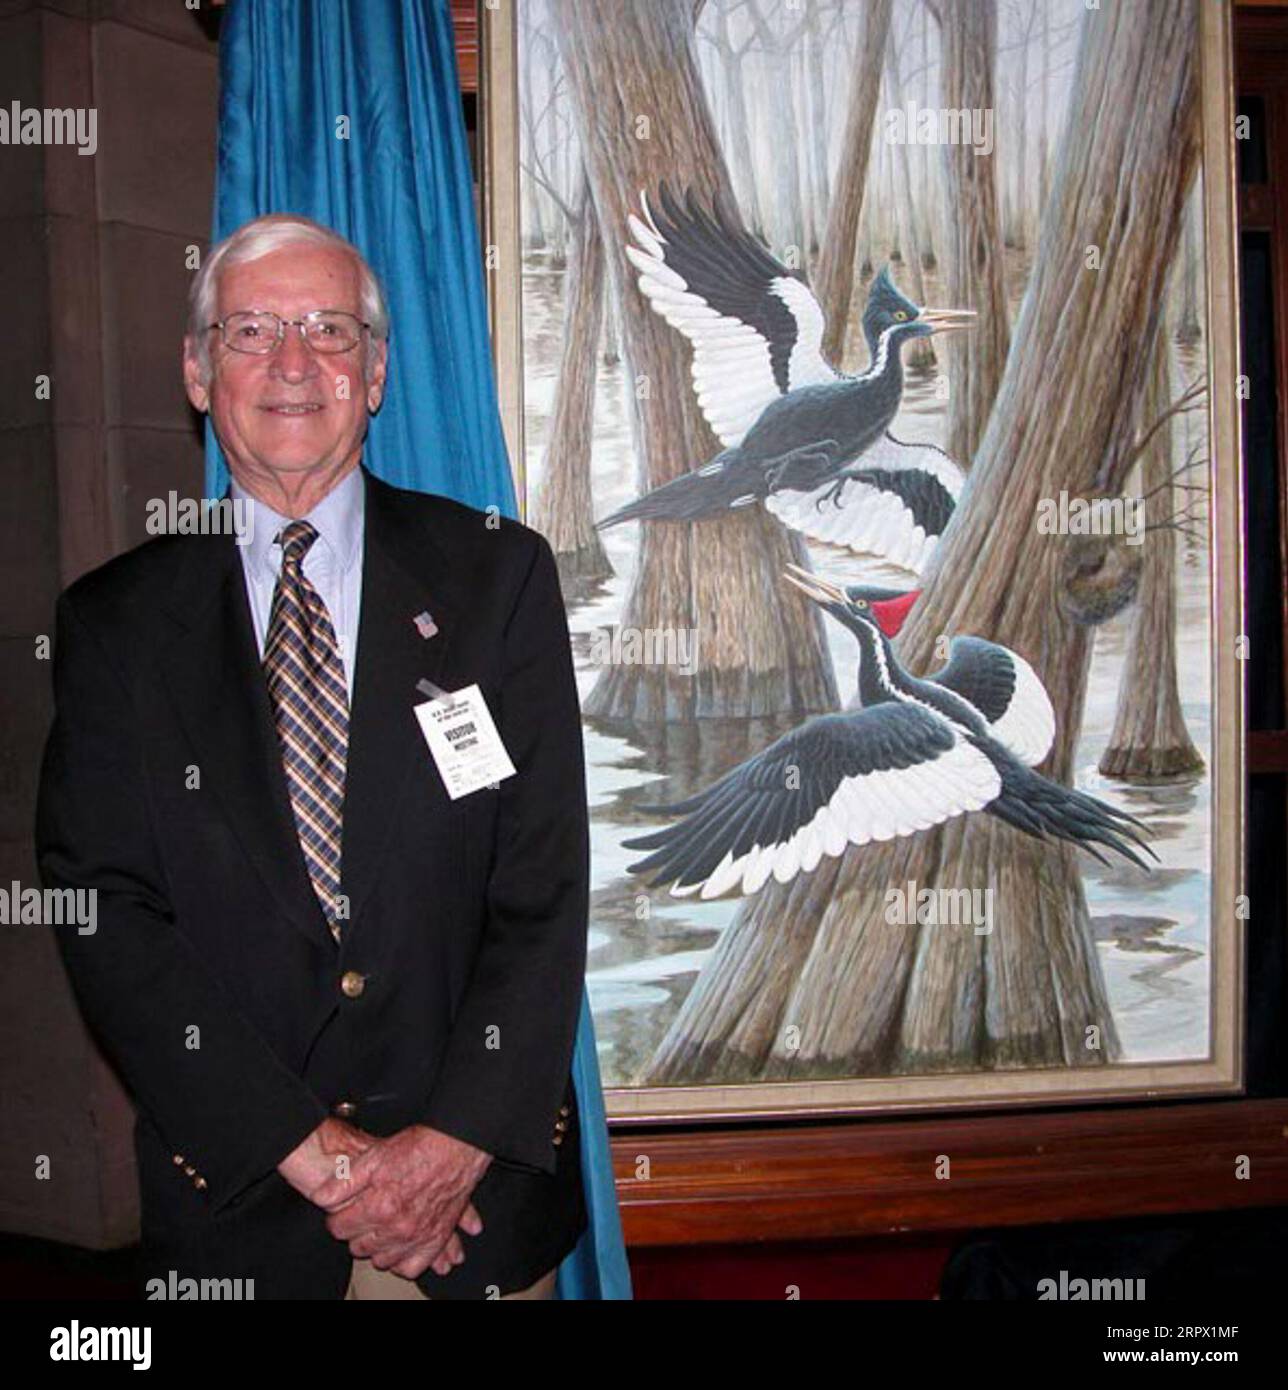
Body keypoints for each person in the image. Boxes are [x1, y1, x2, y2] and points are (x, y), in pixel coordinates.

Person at [36, 213, 589, 1300]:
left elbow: (543, 888)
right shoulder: (114, 625)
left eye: (329, 330)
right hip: (244, 1213)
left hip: (469, 1220)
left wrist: (450, 1145)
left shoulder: (497, 579)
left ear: (375, 371)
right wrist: (318, 1154)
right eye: (251, 330)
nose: (293, 363)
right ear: (199, 372)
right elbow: (104, 911)